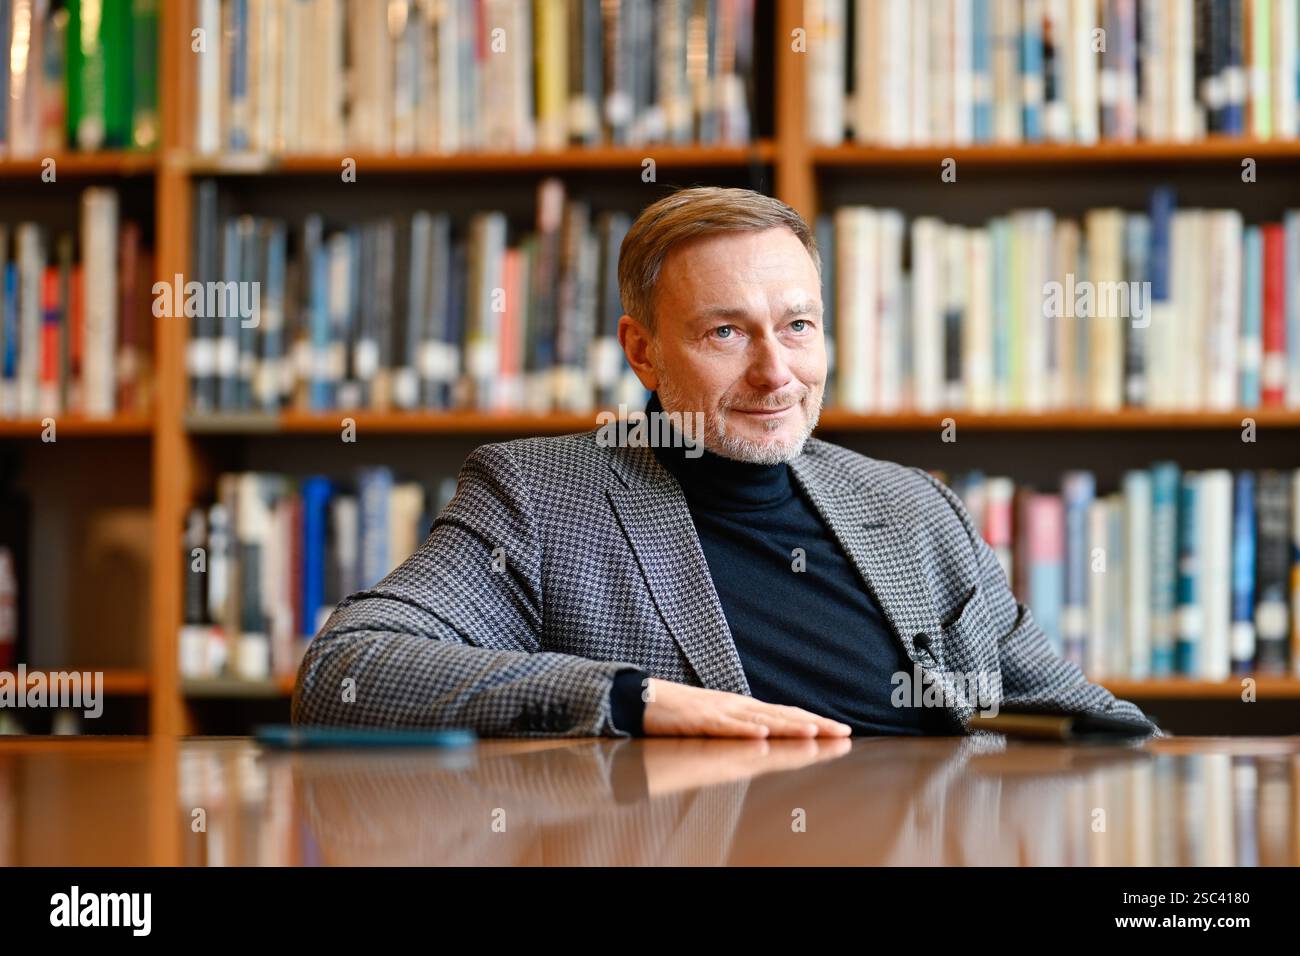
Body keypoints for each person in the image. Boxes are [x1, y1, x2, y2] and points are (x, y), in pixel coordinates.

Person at [292, 186, 1162, 740]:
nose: (775, 372)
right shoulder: (538, 497)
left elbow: (1089, 720)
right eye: (724, 331)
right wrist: (634, 700)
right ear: (643, 352)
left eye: (798, 325)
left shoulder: (912, 508)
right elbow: (348, 672)